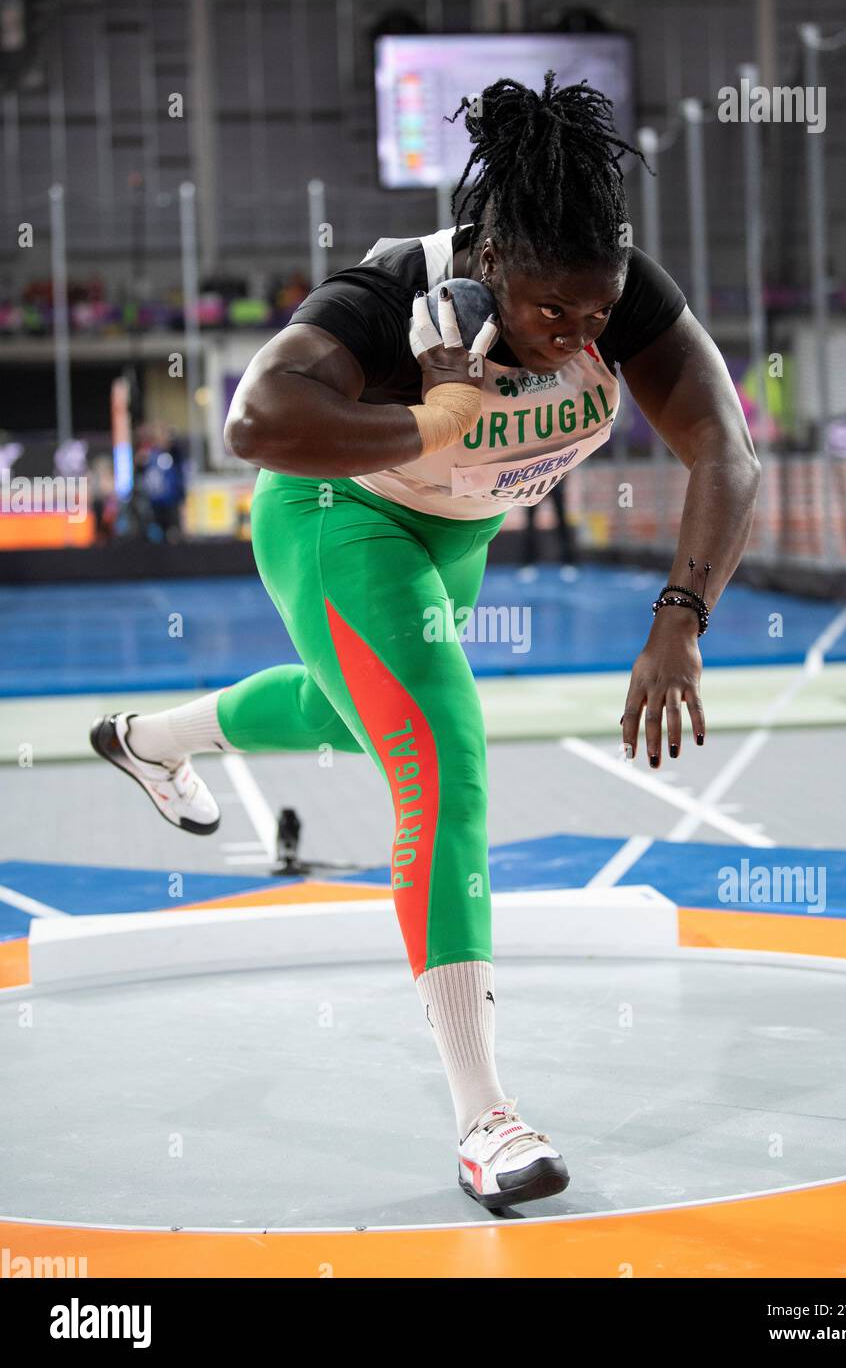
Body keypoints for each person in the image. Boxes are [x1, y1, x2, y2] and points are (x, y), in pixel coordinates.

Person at [90, 74, 760, 1210]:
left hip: (455, 536)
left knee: (352, 711)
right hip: (337, 515)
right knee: (442, 753)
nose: (578, 336)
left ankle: (151, 740)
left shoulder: (617, 291)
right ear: (491, 255)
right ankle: (484, 1119)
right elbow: (255, 423)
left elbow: (725, 452)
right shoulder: (392, 293)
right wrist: (431, 417)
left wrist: (680, 618)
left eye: (596, 315)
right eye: (554, 311)